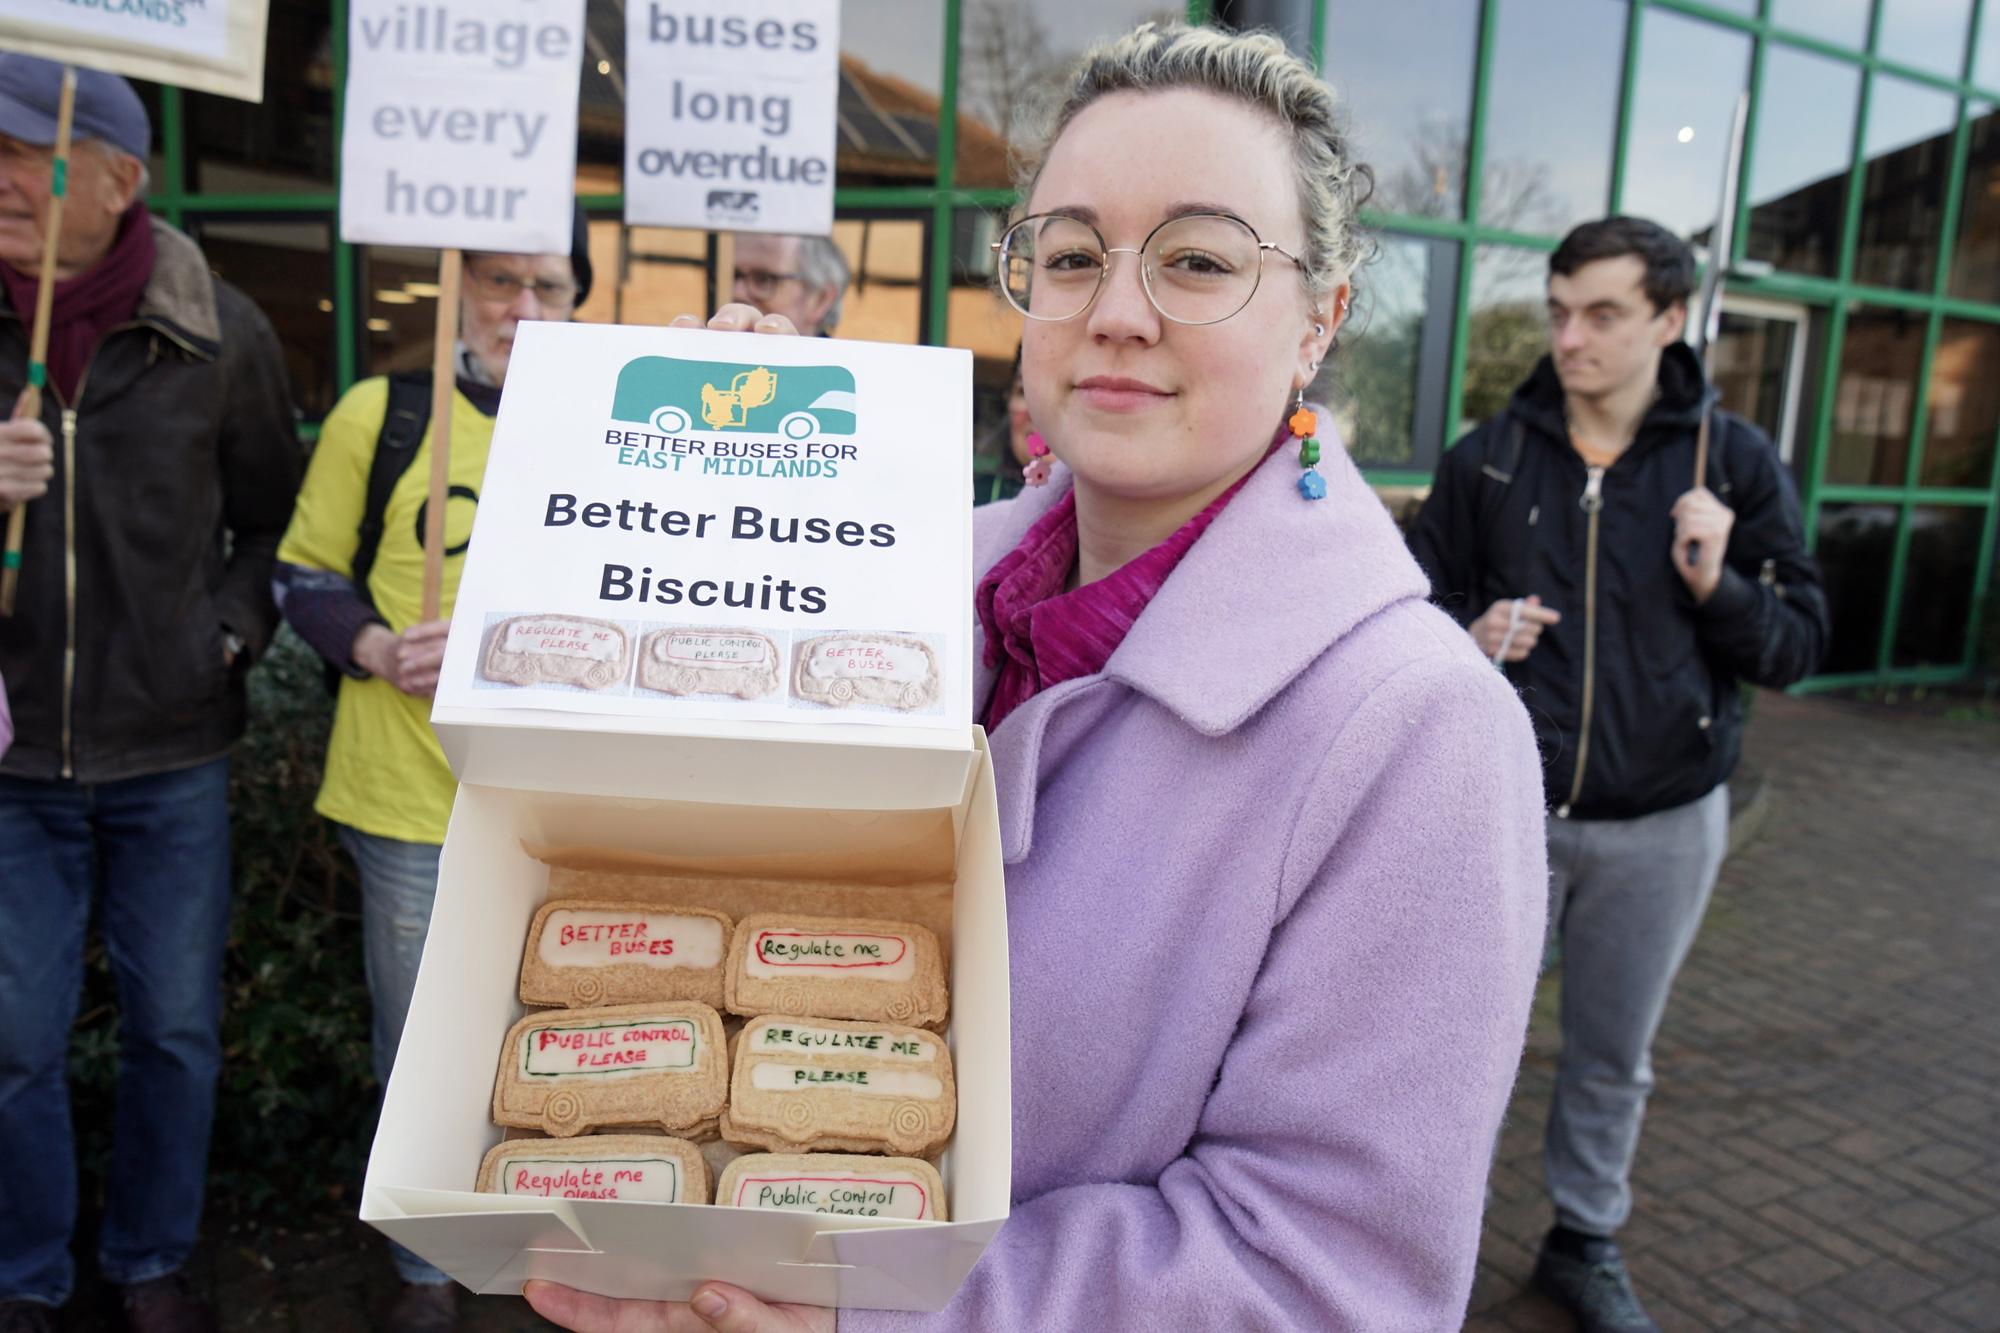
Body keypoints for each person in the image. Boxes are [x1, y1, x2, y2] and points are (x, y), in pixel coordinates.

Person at [525, 24, 1547, 1332]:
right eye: (1069, 255)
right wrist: (679, 503)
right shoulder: (905, 579)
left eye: (1197, 259)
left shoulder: (1418, 735)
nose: (1117, 311)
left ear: (1320, 320)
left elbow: (1319, 1278)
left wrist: (863, 1306)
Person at [1406, 216, 1828, 1332]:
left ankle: (1581, 1241)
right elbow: (1398, 614)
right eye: (1556, 311)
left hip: (1662, 822)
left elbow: (1797, 644)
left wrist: (1718, 582)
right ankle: (1412, 1241)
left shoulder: (1727, 464)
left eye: (1599, 313)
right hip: (1507, 814)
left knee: (1609, 1052)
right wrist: (1467, 627)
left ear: (1668, 319)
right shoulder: (1489, 455)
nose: (1569, 337)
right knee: (1457, 1047)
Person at [0, 56, 301, 1333]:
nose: (5, 177)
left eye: (28, 151)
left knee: (175, 1032)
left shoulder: (219, 331)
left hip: (171, 750)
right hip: (11, 768)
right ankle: (24, 1274)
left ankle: (149, 1259)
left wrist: (221, 642)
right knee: (13, 1043)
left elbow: (267, 527)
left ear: (119, 179)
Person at [272, 215, 593, 1333]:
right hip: (407, 796)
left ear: (579, 297)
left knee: (570, 1036)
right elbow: (303, 574)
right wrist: (369, 645)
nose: (519, 306)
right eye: (495, 280)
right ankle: (421, 1274)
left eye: (545, 283)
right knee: (419, 1047)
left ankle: (558, 1252)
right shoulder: (381, 411)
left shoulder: (608, 430)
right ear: (457, 291)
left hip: (564, 807)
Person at [729, 232, 849, 336]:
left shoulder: (847, 361)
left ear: (820, 300)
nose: (737, 292)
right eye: (733, 275)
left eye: (763, 279)